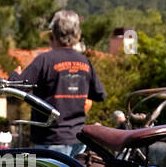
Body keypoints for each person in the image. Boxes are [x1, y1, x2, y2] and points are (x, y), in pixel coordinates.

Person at [9, 8, 106, 156]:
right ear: (77, 35)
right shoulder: (84, 62)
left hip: (50, 140)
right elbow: (100, 94)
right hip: (78, 140)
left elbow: (16, 89)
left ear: (53, 34)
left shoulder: (45, 60)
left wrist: (15, 74)